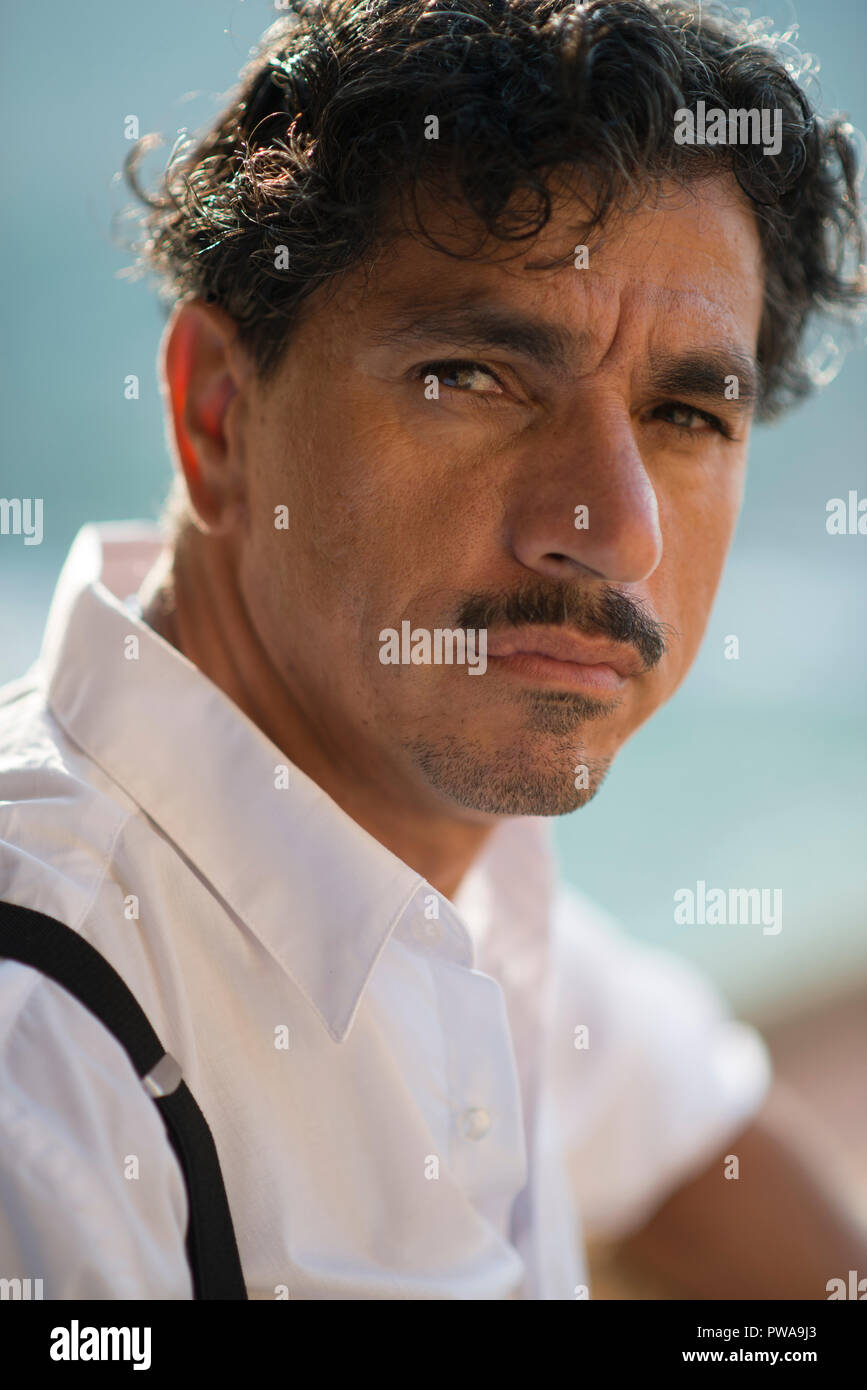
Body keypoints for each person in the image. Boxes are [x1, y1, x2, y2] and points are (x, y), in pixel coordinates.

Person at [1, 0, 865, 1300]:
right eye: (475, 376)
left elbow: (694, 1149)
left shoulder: (442, 868)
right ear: (218, 415)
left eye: (687, 411)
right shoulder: (46, 1062)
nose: (615, 531)